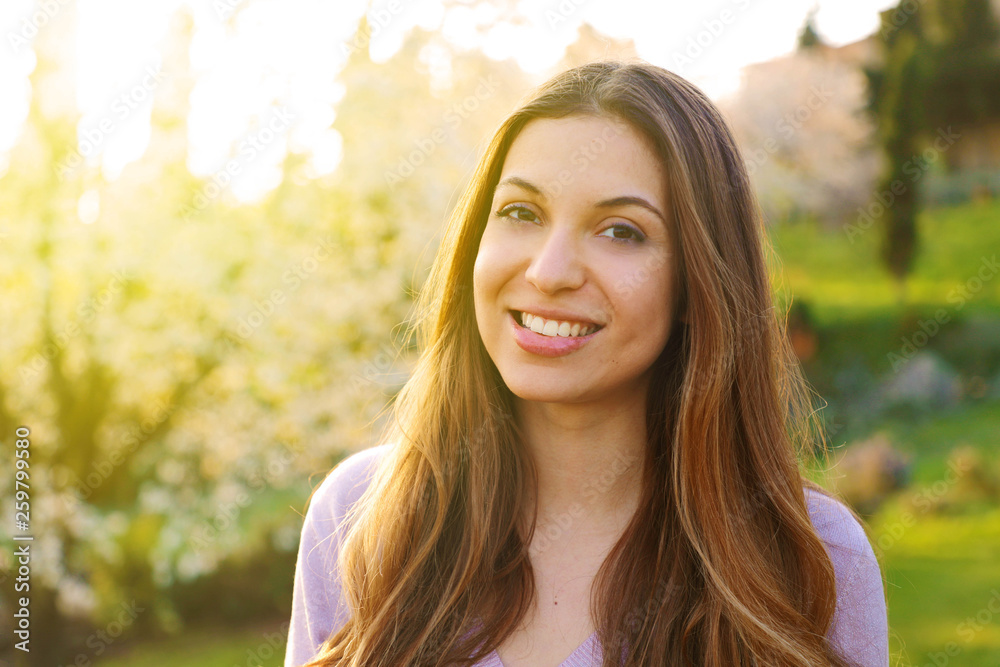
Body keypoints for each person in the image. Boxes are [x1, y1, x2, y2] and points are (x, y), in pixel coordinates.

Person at [285, 60, 888, 667]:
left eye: (621, 232)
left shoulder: (816, 560)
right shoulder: (362, 518)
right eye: (522, 213)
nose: (548, 273)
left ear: (696, 285)